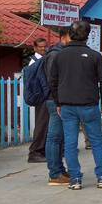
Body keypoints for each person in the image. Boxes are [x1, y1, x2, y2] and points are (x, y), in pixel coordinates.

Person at [49, 20, 102, 190]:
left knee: (70, 143)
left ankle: (75, 179)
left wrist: (58, 102)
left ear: (70, 34)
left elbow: (53, 81)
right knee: (97, 142)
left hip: (67, 106)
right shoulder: (94, 56)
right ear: (88, 35)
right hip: (89, 105)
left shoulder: (59, 55)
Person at [41, 28, 72, 186]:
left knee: (59, 138)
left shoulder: (61, 53)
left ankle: (60, 170)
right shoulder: (55, 54)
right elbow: (53, 80)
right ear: (63, 37)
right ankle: (54, 173)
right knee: (54, 137)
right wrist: (59, 101)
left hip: (59, 100)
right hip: (55, 101)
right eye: (71, 36)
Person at [26, 37, 51, 163]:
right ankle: (35, 151)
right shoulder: (34, 62)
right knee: (41, 124)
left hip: (45, 96)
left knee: (46, 124)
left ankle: (43, 150)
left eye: (44, 46)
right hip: (41, 97)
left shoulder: (44, 59)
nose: (43, 48)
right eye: (40, 47)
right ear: (35, 47)